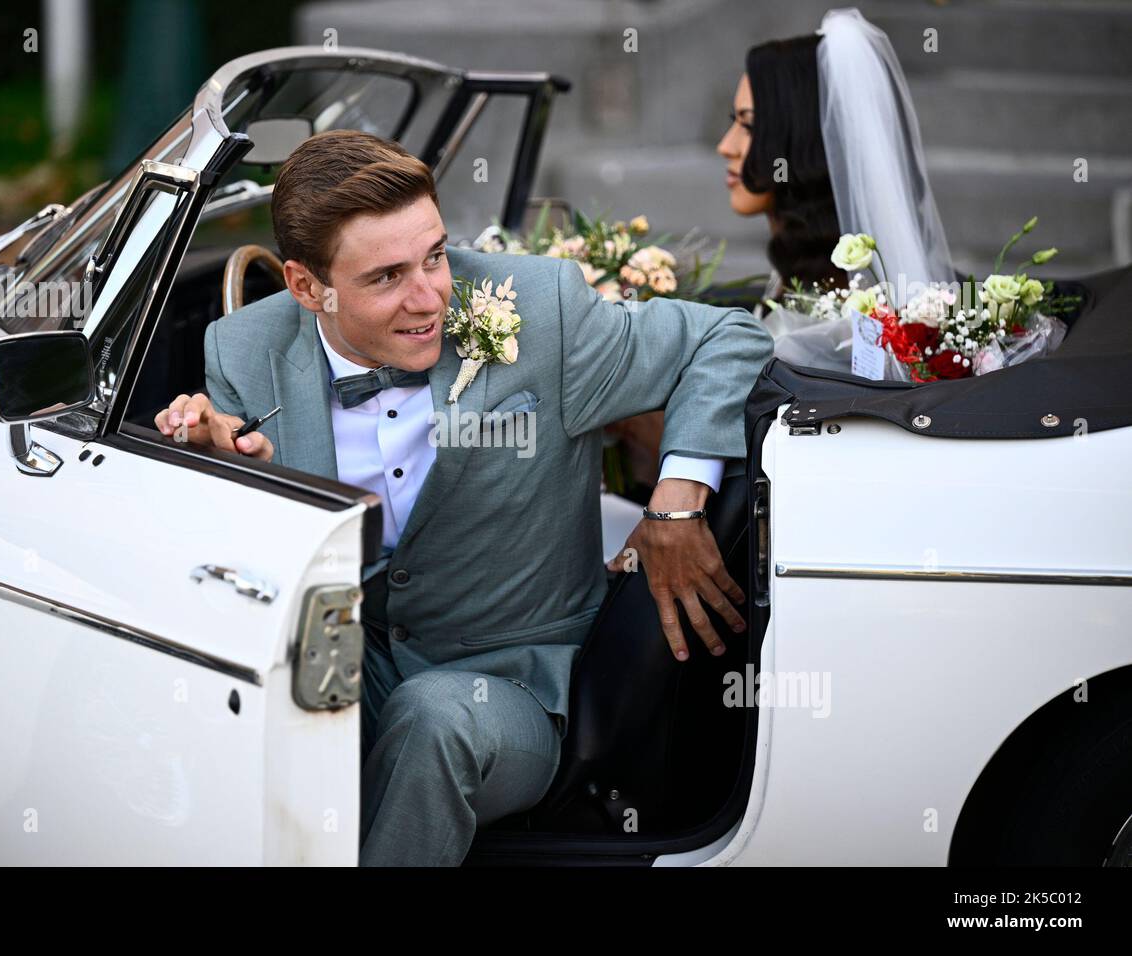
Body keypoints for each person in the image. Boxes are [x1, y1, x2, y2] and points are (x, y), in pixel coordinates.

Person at [154, 130, 772, 866]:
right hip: (348, 660)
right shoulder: (242, 348)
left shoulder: (538, 309)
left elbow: (726, 338)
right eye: (386, 277)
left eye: (436, 256)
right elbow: (248, 546)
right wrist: (222, 469)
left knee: (434, 720)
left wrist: (676, 501)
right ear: (306, 287)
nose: (429, 299)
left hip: (512, 683)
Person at [716, 7, 956, 365]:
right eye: (733, 121)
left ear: (802, 141)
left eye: (749, 126)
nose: (726, 146)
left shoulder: (843, 315)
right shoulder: (801, 270)